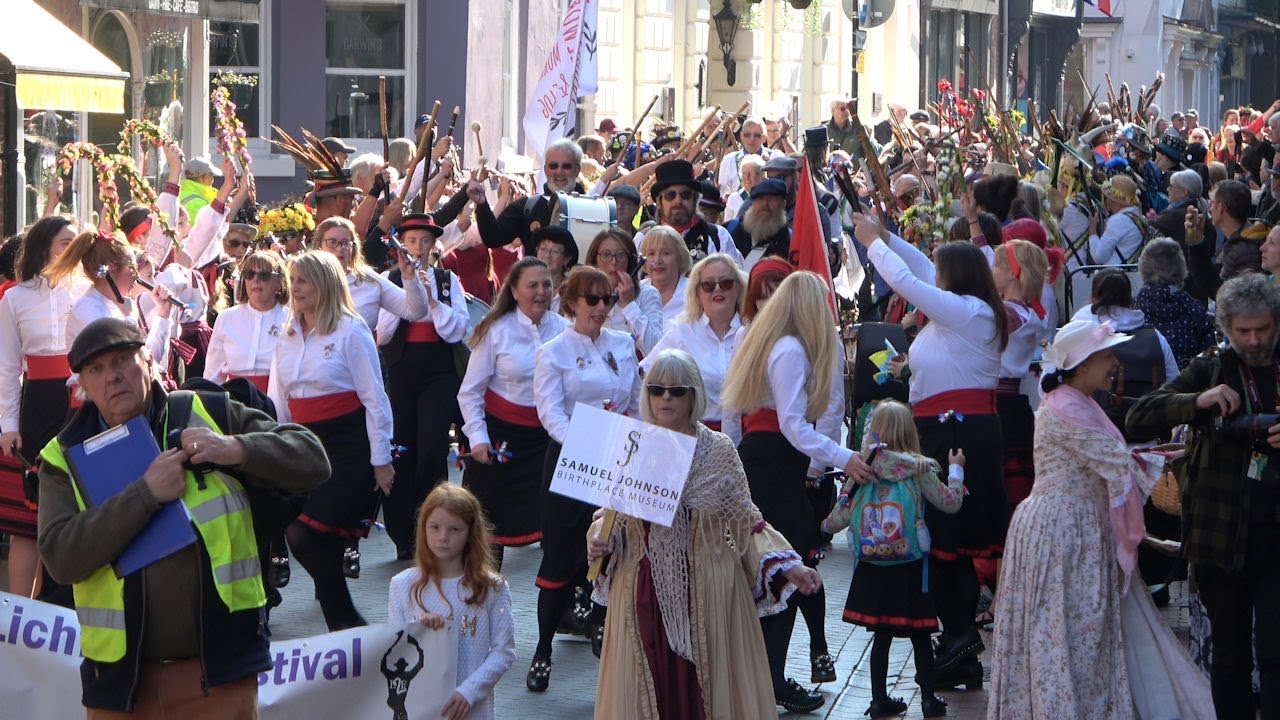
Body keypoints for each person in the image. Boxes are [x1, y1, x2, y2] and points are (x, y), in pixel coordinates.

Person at [36, 317, 328, 717]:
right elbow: (60, 558)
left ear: (148, 361)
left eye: (122, 360)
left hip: (220, 674)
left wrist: (234, 449)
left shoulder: (203, 410)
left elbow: (314, 459)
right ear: (82, 386)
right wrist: (146, 494)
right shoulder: (64, 455)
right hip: (121, 686)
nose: (112, 377)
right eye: (96, 369)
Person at [990, 319, 1212, 719]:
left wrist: (1161, 456)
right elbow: (1115, 462)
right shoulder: (1064, 408)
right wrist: (1172, 458)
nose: (1114, 363)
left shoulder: (1076, 401)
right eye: (1107, 355)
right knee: (1065, 632)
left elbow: (1115, 459)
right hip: (1063, 531)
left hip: (1075, 527)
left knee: (1078, 632)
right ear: (1083, 364)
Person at [588, 348, 823, 719]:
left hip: (711, 596)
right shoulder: (630, 446)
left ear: (693, 395)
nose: (665, 397)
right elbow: (611, 519)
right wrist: (599, 541)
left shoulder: (718, 451)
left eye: (677, 390)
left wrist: (791, 567)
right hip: (642, 597)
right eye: (656, 389)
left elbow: (746, 521)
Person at [852, 211, 1009, 687]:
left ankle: (959, 635)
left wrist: (873, 245)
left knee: (947, 541)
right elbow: (920, 268)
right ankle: (959, 644)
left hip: (956, 433)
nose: (934, 276)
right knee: (943, 542)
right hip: (943, 430)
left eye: (943, 271)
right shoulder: (963, 312)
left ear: (955, 277)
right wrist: (887, 235)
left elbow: (908, 282)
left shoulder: (970, 312)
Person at [1127, 273, 1280, 718]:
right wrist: (1197, 401)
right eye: (1243, 331)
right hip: (1219, 535)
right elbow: (1140, 415)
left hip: (1275, 534)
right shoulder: (1212, 367)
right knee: (1229, 655)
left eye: (1263, 329)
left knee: (1277, 653)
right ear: (1226, 327)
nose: (1254, 340)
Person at [722, 271, 872, 713]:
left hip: (768, 463)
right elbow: (793, 424)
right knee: (784, 574)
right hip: (774, 466)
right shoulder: (789, 349)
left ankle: (766, 678)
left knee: (775, 574)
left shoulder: (771, 343)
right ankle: (772, 680)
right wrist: (844, 457)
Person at [268, 251, 396, 630]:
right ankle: (347, 626)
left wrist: (381, 459)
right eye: (293, 280)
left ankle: (345, 622)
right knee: (308, 537)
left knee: (303, 533)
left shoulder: (350, 330)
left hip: (347, 446)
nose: (295, 288)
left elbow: (375, 399)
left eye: (303, 280)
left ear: (324, 284)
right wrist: (277, 452)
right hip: (305, 446)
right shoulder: (286, 336)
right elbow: (279, 401)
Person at [528, 265, 641, 691]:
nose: (600, 307)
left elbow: (633, 402)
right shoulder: (554, 350)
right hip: (572, 458)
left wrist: (634, 445)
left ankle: (601, 626)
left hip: (616, 458)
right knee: (560, 555)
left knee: (612, 549)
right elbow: (550, 413)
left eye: (607, 299)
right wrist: (586, 442)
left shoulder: (623, 343)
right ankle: (542, 650)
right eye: (591, 299)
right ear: (571, 302)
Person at [821, 400, 966, 719]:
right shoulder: (920, 468)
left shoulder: (862, 468)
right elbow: (950, 503)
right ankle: (928, 700)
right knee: (920, 635)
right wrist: (956, 469)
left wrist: (823, 526)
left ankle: (878, 700)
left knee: (882, 636)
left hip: (872, 567)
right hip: (910, 566)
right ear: (910, 432)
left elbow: (839, 518)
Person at [458, 258, 568, 563]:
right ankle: (483, 590)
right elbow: (470, 392)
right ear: (515, 291)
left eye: (546, 284)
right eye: (532, 285)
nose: (541, 292)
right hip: (498, 440)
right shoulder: (496, 330)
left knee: (555, 523)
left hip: (547, 441)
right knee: (489, 531)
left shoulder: (566, 330)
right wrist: (478, 438)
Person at [377, 214, 470, 562]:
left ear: (433, 245)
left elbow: (458, 330)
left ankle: (436, 529)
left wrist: (431, 300)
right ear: (401, 246)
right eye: (412, 241)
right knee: (402, 449)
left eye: (424, 241)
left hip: (438, 373)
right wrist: (408, 290)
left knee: (432, 449)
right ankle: (403, 534)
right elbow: (383, 334)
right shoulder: (388, 280)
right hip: (400, 372)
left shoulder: (447, 280)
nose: (418, 248)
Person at [387, 484, 516, 720]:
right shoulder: (402, 585)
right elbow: (394, 649)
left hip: (471, 709)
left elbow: (504, 651)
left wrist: (469, 691)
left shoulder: (491, 587)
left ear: (470, 534)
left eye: (454, 529)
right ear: (423, 528)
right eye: (434, 527)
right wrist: (418, 629)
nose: (443, 537)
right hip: (421, 708)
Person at [0, 216, 79, 598]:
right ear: (45, 245)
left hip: (79, 405)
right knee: (26, 522)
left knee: (77, 512)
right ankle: (19, 616)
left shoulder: (85, 290)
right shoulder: (14, 298)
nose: (73, 248)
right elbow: (7, 367)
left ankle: (65, 610)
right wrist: (8, 426)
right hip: (37, 406)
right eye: (66, 242)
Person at [644, 254, 746, 435]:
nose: (717, 289)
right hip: (695, 436)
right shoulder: (682, 332)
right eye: (708, 285)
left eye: (726, 283)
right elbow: (645, 372)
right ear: (698, 292)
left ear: (738, 288)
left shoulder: (752, 331)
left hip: (746, 436)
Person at [49, 231, 176, 374]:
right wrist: (129, 319)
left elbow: (147, 362)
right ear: (112, 268)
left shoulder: (120, 305)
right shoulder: (88, 309)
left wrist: (163, 315)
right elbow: (125, 363)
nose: (137, 276)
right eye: (133, 268)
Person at [992, 240, 1050, 508]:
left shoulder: (1011, 314)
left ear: (1013, 274)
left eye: (997, 266)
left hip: (1003, 407)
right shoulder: (1021, 311)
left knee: (1006, 491)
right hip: (1007, 405)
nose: (991, 271)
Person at [203, 251, 289, 392]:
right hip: (236, 399)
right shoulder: (226, 318)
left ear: (279, 282)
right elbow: (212, 376)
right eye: (249, 274)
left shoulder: (291, 321)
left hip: (278, 398)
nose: (256, 280)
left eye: (264, 275)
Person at [635, 160, 743, 265]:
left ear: (695, 199)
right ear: (659, 202)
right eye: (670, 195)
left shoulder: (718, 237)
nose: (678, 201)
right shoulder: (643, 240)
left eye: (685, 195)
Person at [1134, 238, 1216, 368]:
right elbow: (1209, 355)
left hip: (1145, 377)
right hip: (1186, 377)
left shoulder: (1135, 309)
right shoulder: (1192, 308)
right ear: (1180, 268)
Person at [584, 228, 663, 354]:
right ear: (595, 261)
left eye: (620, 255)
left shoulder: (647, 294)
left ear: (629, 260)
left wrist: (630, 305)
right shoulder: (582, 295)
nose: (614, 262)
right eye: (606, 255)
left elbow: (654, 349)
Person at [638, 226, 693, 330]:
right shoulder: (635, 292)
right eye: (651, 254)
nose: (657, 260)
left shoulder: (695, 292)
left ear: (680, 257)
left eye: (666, 253)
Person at [1085, 175, 1147, 266]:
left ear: (1113, 200)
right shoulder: (1137, 215)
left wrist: (1092, 232)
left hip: (1114, 272)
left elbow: (1099, 257)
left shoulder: (1118, 220)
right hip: (1132, 271)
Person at [730, 178, 791, 269]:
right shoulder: (731, 228)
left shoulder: (790, 240)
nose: (765, 204)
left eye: (772, 199)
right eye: (760, 198)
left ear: (783, 204)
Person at [717, 118, 777, 198]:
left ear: (764, 138)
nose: (751, 139)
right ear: (741, 136)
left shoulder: (775, 158)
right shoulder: (728, 161)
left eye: (757, 135)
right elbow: (722, 194)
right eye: (747, 135)